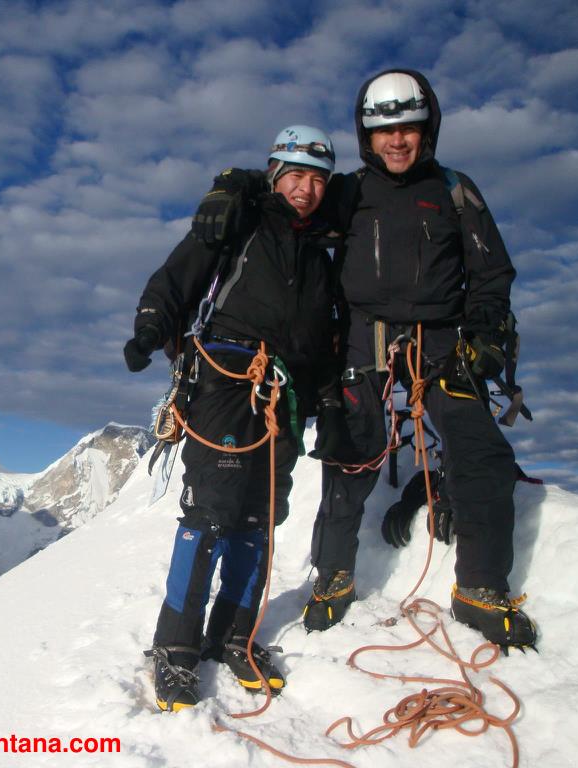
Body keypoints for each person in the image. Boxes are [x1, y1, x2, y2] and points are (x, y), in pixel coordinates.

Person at [190, 70, 536, 651]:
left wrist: (486, 336)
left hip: (444, 338)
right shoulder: (347, 193)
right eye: (384, 131)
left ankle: (480, 585)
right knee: (350, 454)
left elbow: (491, 274)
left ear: (427, 130)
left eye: (408, 128)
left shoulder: (455, 190)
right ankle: (334, 575)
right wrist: (235, 183)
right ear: (366, 136)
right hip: (362, 337)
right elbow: (290, 200)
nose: (397, 141)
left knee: (479, 451)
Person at [124, 125, 347, 712]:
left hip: (284, 394)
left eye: (317, 179)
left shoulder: (320, 257)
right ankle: (175, 646)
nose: (306, 188)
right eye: (295, 175)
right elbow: (177, 277)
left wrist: (326, 395)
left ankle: (233, 634)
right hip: (226, 378)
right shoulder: (238, 222)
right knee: (212, 513)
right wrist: (149, 327)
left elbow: (324, 340)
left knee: (261, 515)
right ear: (275, 175)